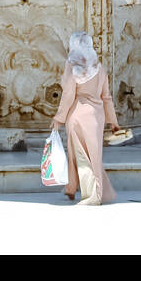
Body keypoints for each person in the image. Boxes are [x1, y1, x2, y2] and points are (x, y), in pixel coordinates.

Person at [51, 31, 119, 206]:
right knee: (94, 156)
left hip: (76, 116)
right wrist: (113, 122)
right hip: (96, 118)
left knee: (76, 155)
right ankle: (82, 190)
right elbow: (107, 98)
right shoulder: (100, 68)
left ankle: (85, 193)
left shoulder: (72, 66)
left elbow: (68, 95)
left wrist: (59, 118)